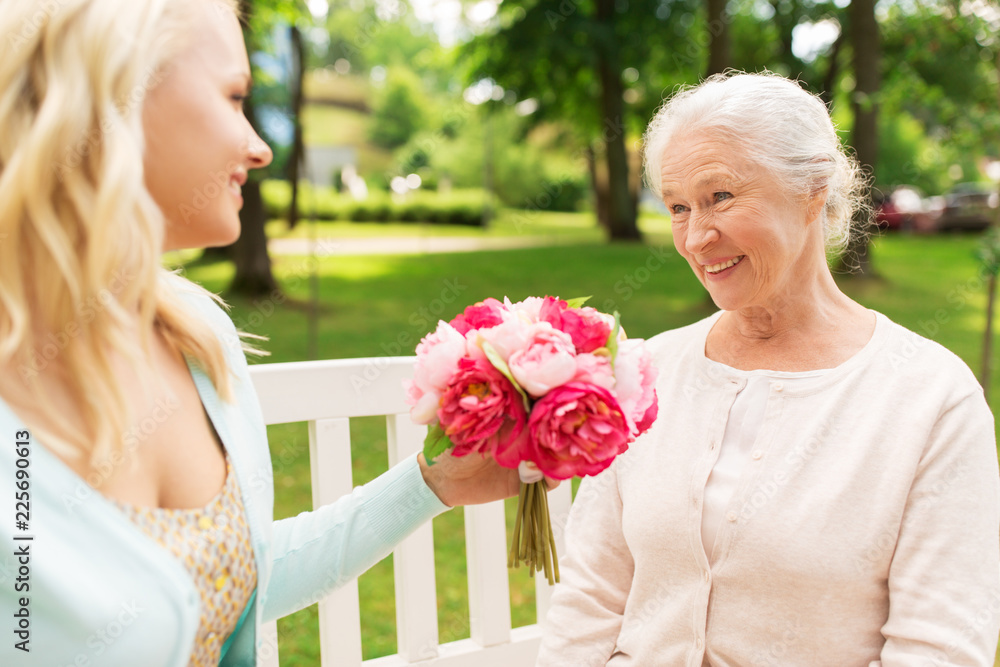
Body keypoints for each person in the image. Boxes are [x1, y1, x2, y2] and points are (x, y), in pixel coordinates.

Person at [0, 1, 536, 665]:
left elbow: (230, 578)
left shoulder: (199, 337)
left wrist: (433, 483)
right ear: (111, 96)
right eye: (234, 97)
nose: (260, 147)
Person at [536, 72, 1000, 666]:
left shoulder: (930, 397)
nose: (696, 237)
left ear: (812, 190)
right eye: (678, 207)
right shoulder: (643, 373)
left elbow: (939, 649)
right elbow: (590, 601)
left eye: (721, 196)